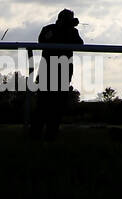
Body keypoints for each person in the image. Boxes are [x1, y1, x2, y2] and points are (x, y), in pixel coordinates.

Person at [30, 8, 83, 140]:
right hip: (47, 71)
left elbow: (79, 44)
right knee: (43, 104)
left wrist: (69, 29)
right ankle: (36, 134)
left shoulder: (72, 31)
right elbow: (42, 41)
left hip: (64, 72)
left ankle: (51, 134)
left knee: (58, 105)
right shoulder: (48, 29)